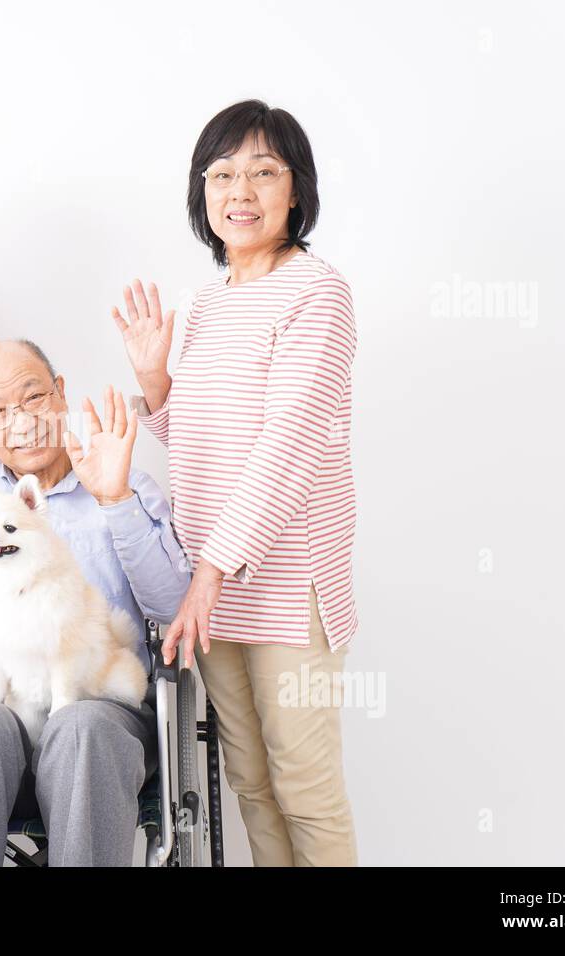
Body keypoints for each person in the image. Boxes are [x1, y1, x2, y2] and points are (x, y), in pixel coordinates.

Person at [117, 99, 360, 866]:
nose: (240, 190)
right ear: (203, 196)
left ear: (297, 191)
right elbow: (200, 440)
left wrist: (211, 574)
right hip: (211, 588)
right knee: (250, 784)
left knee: (305, 787)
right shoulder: (203, 304)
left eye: (263, 171)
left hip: (283, 584)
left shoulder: (317, 292)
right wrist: (157, 383)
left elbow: (288, 445)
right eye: (221, 174)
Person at [0, 339, 191, 866]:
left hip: (97, 702)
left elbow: (176, 610)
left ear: (60, 395)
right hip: (0, 694)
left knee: (81, 726)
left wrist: (115, 502)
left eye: (33, 396)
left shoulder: (125, 483)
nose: (20, 420)